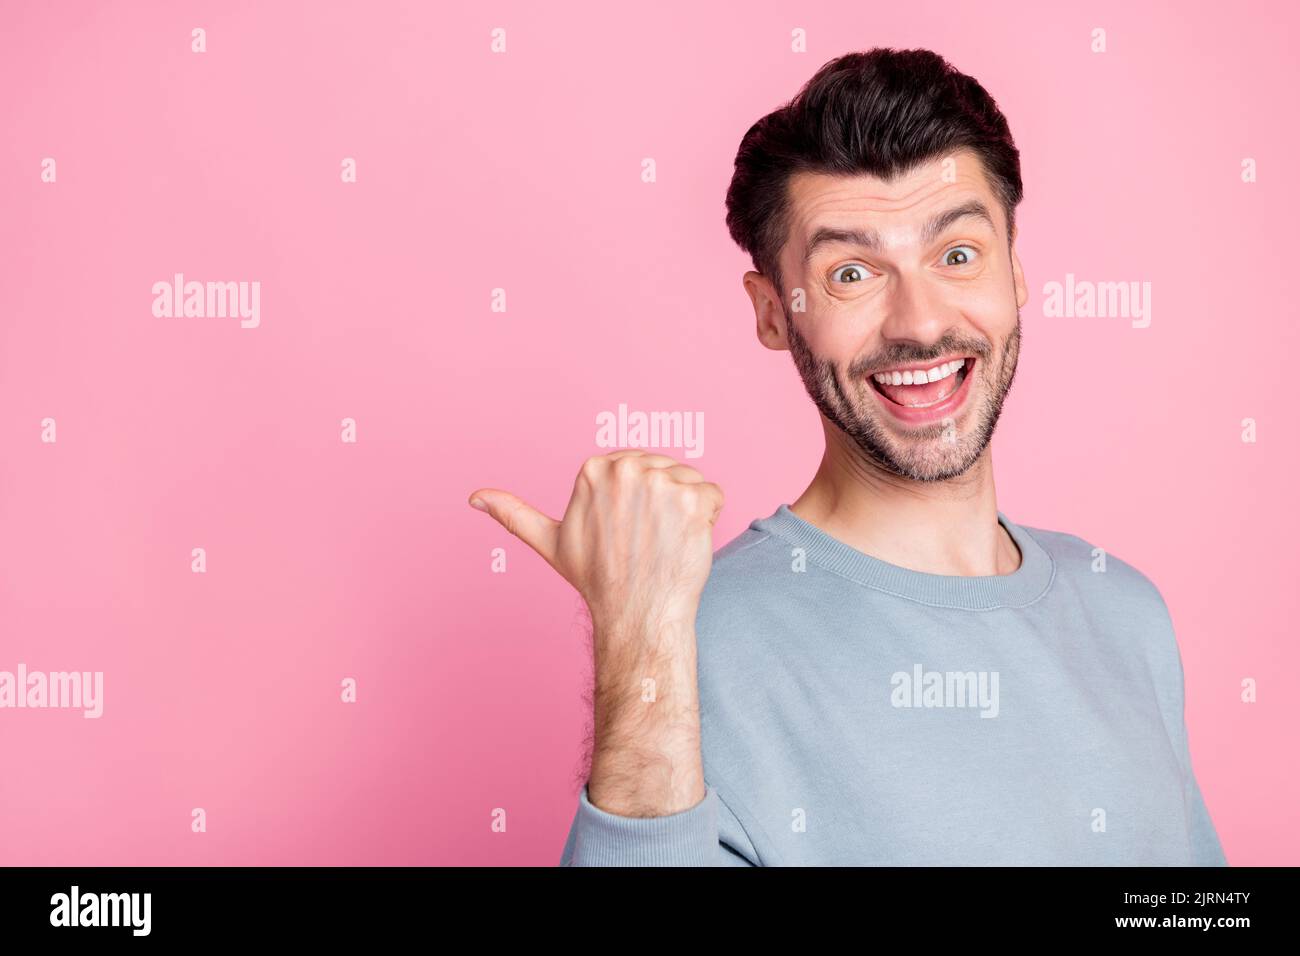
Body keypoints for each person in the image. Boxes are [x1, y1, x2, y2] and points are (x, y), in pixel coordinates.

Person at [469, 47, 1227, 866]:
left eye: (958, 255)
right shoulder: (686, 647)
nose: (920, 323)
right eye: (853, 273)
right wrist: (643, 641)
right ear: (773, 313)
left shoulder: (1126, 613)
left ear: (1015, 273)